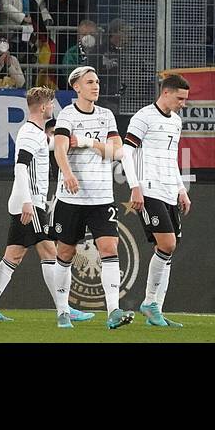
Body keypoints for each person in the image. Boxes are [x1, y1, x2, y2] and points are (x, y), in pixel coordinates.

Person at [52, 66, 134, 329]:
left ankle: (113, 312)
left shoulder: (106, 116)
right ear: (76, 87)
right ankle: (63, 311)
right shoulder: (66, 115)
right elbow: (60, 148)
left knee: (110, 248)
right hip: (71, 198)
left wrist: (88, 143)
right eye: (89, 82)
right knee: (64, 253)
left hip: (101, 196)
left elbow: (118, 151)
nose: (95, 86)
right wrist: (67, 174)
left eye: (97, 81)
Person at [0, 86, 67, 322]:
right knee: (50, 252)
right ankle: (64, 309)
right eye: (51, 104)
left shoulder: (36, 133)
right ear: (42, 107)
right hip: (30, 203)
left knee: (13, 256)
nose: (53, 107)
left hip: (27, 202)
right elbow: (20, 167)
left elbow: (51, 146)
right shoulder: (30, 133)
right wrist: (28, 201)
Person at [122, 73, 194, 328]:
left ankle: (156, 309)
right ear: (166, 93)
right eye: (180, 98)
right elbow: (126, 153)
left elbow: (171, 157)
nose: (183, 103)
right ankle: (149, 303)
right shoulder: (143, 117)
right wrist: (135, 187)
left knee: (167, 251)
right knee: (168, 243)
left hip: (168, 191)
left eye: (185, 99)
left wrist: (181, 189)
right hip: (148, 189)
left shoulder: (176, 121)